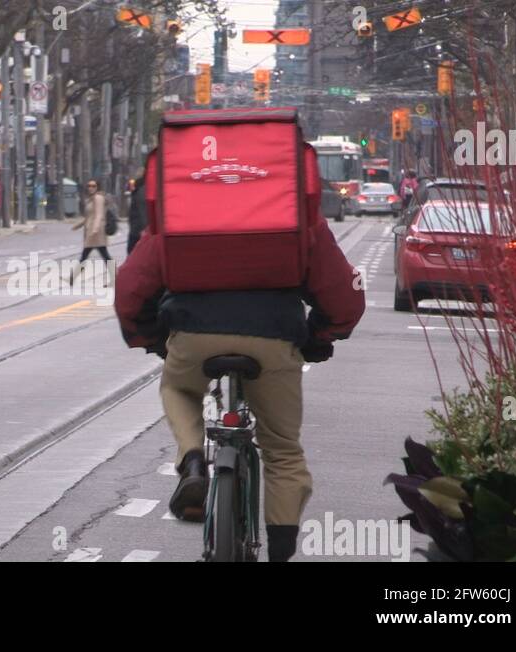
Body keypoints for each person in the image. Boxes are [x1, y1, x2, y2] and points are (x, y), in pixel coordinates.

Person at [114, 147, 366, 562]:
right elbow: (342, 292)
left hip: (193, 335)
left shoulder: (181, 211)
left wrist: (151, 336)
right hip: (273, 338)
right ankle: (279, 553)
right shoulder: (296, 214)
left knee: (178, 390)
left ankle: (192, 460)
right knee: (282, 451)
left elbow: (131, 285)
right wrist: (321, 336)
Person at [72, 179, 112, 282]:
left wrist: (95, 229)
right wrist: (78, 225)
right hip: (92, 231)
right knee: (102, 255)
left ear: (97, 187)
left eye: (93, 186)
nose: (91, 188)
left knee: (87, 255)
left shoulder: (98, 198)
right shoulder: (90, 199)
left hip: (96, 232)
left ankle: (72, 278)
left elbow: (99, 215)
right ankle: (116, 278)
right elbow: (89, 217)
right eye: (89, 186)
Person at [127, 173, 147, 255]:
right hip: (136, 228)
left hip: (137, 229)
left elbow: (142, 210)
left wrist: (144, 228)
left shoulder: (141, 191)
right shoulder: (139, 191)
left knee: (132, 252)